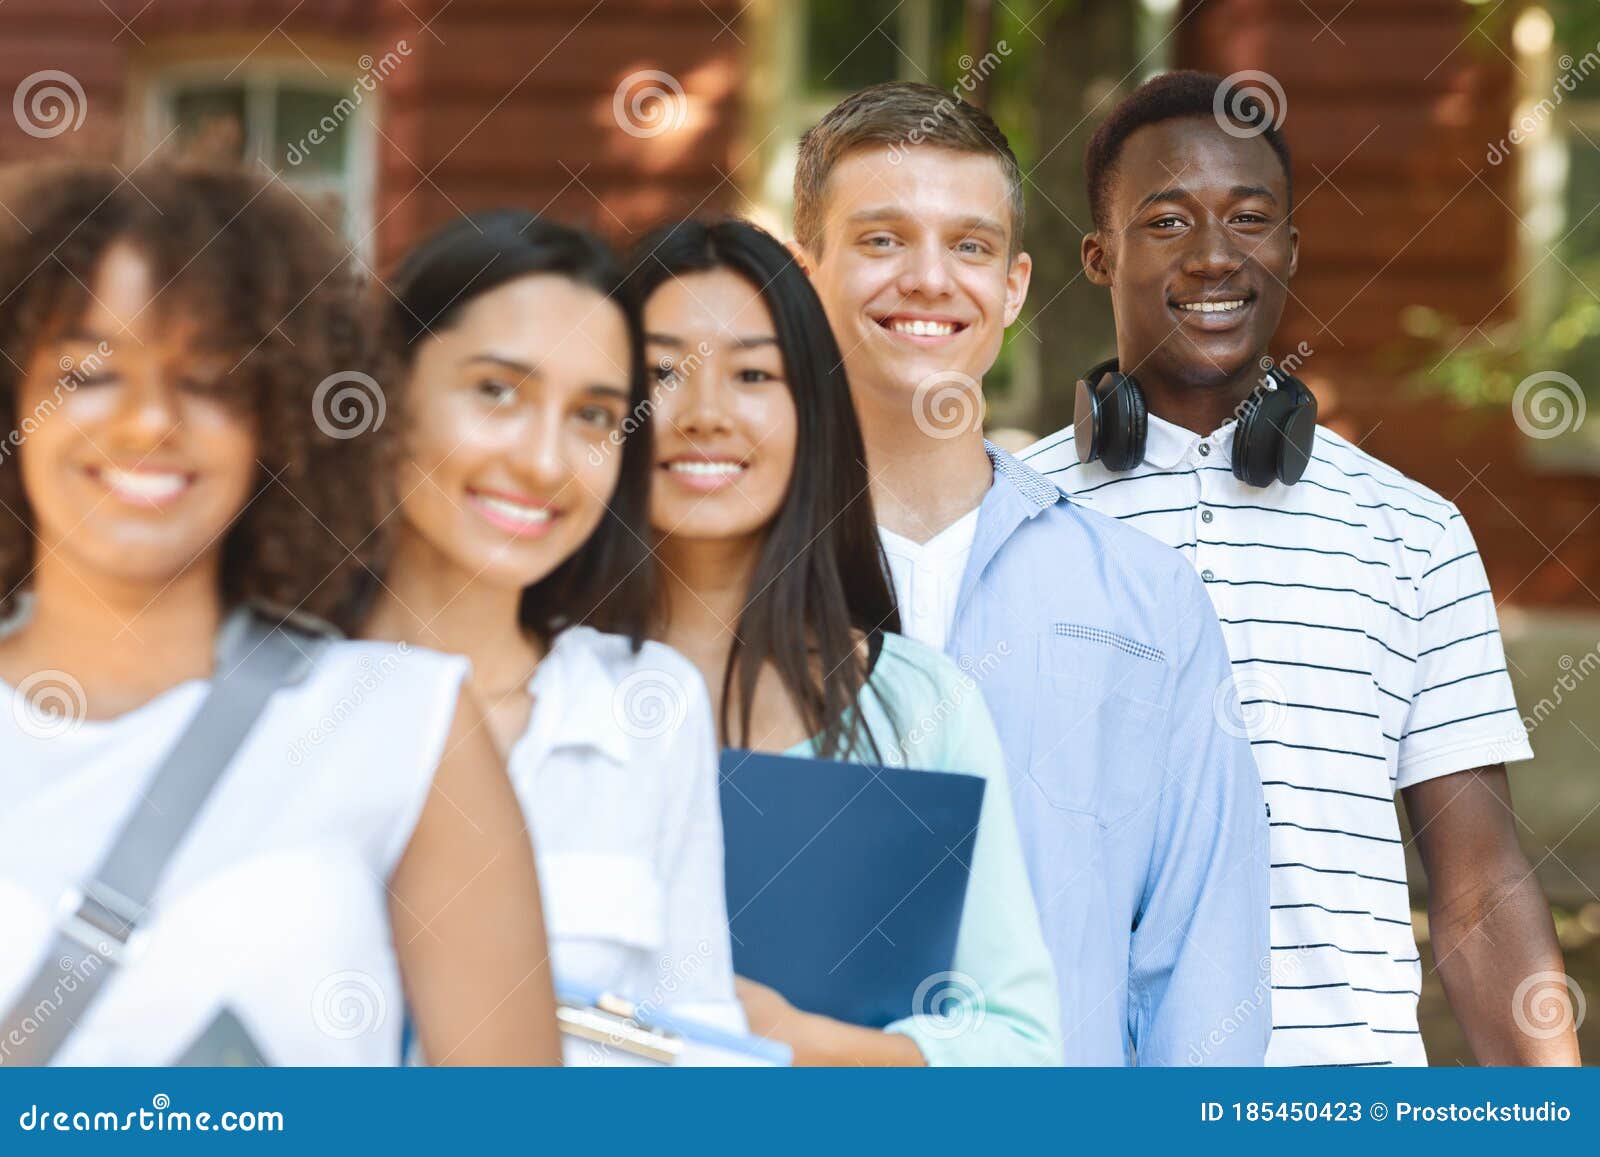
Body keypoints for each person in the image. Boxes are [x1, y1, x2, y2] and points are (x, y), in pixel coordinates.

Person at [1020, 70, 1578, 1066]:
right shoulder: (1001, 522)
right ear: (1097, 256)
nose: (1211, 255)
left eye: (1248, 218)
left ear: (1288, 249)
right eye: (1164, 220)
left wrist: (1549, 1113)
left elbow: (1479, 885)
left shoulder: (1414, 531)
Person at [0, 162, 558, 1066]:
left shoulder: (403, 722)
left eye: (212, 378)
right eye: (92, 371)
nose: (149, 421)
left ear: (281, 421)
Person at [792, 82, 1271, 1064]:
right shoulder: (718, 578)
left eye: (968, 246)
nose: (929, 279)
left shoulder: (1145, 599)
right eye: (881, 240)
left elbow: (1199, 959)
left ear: (1012, 286)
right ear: (804, 274)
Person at [627, 217, 1060, 1066]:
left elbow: (1019, 1048)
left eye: (753, 372)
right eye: (661, 373)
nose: (706, 413)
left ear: (813, 412)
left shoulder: (918, 707)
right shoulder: (533, 685)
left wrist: (798, 1043)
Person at [363, 211, 742, 1038]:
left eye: (593, 417)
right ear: (385, 396)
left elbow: (695, 1035)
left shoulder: (650, 708)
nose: (543, 461)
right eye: (498, 391)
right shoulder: (262, 687)